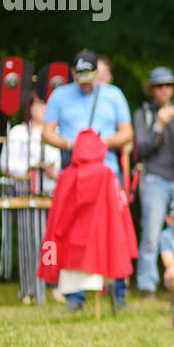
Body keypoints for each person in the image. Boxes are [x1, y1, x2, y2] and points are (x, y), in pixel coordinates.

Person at [42, 50, 134, 311]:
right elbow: (47, 133)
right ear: (72, 74)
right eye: (81, 79)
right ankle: (75, 297)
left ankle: (119, 293)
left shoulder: (113, 94)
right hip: (75, 173)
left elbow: (127, 132)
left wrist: (100, 143)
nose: (86, 85)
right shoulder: (60, 95)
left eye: (90, 79)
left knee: (113, 231)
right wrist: (73, 144)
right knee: (74, 234)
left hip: (107, 172)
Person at [134, 67, 174, 299]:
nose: (164, 90)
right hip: (154, 179)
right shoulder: (144, 114)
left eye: (168, 85)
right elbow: (141, 149)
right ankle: (147, 286)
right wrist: (158, 125)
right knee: (151, 233)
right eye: (159, 86)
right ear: (152, 90)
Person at [0, 91, 61, 195]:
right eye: (41, 103)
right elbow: (5, 165)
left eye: (49, 103)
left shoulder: (59, 133)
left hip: (53, 195)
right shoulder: (18, 132)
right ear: (30, 106)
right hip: (23, 195)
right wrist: (31, 168)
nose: (46, 108)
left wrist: (55, 173)